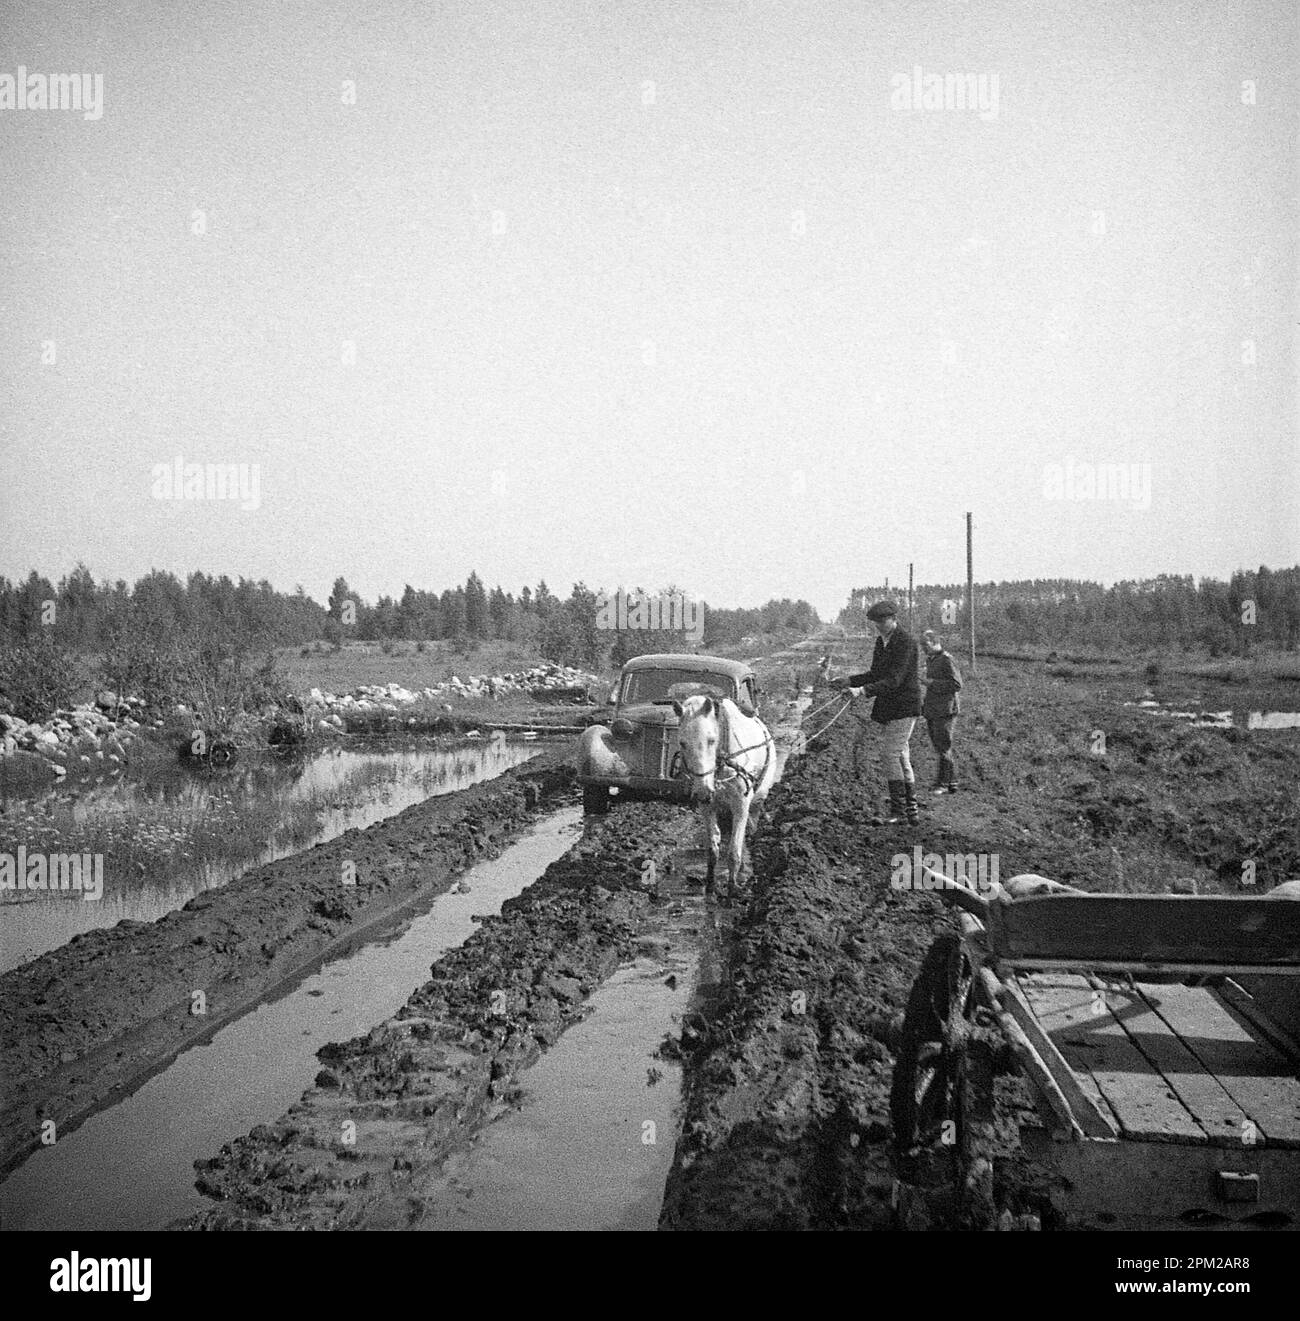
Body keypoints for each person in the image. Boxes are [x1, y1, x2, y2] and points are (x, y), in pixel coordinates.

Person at [830, 601, 922, 825]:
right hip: (891, 707)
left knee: (890, 755)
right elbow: (876, 673)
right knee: (900, 755)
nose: (879, 626)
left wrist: (861, 691)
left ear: (893, 618)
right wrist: (849, 680)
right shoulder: (881, 642)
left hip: (904, 706)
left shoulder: (905, 642)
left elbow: (894, 679)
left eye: (882, 621)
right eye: (876, 623)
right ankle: (911, 811)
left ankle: (899, 811)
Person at [920, 629, 963, 794]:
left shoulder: (946, 659)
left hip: (945, 709)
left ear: (933, 641)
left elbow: (956, 684)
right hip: (934, 709)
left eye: (925, 644)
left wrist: (931, 683)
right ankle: (952, 782)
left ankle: (943, 784)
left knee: (943, 746)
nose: (923, 648)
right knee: (940, 746)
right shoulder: (932, 659)